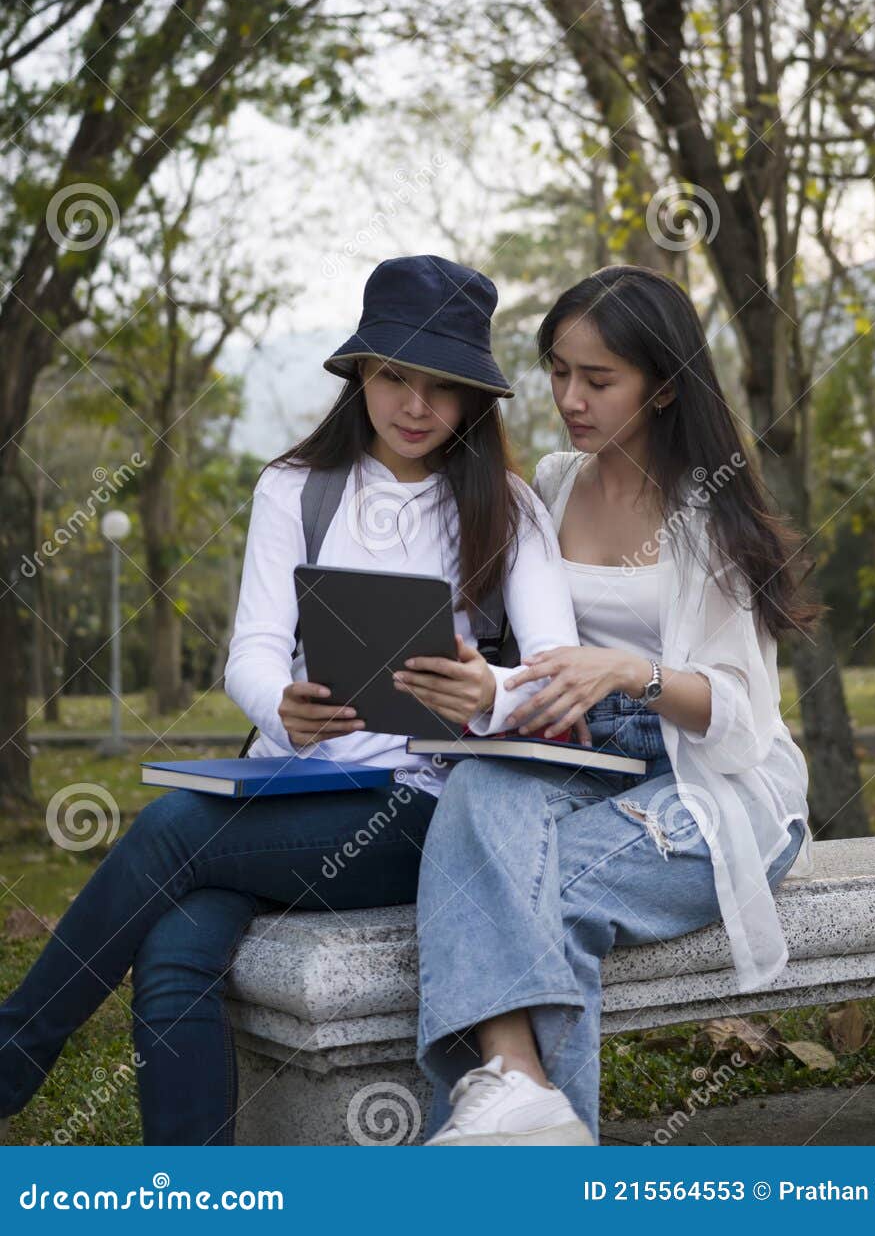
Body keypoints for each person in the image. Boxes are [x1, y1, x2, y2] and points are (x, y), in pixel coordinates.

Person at [0, 254, 576, 1146]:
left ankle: (12, 1060)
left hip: (422, 813)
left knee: (172, 828)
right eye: (393, 376)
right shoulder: (296, 488)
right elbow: (254, 652)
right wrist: (283, 706)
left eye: (442, 387)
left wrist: (487, 688)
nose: (414, 406)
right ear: (358, 373)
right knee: (174, 953)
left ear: (475, 399)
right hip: (292, 792)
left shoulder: (510, 510)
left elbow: (555, 673)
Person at [413, 264, 822, 1146]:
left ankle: (537, 1147)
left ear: (665, 387)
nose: (569, 397)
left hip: (706, 777)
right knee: (473, 795)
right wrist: (481, 684)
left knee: (536, 895)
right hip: (580, 749)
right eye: (558, 371)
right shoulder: (555, 484)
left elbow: (741, 718)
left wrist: (627, 669)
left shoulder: (708, 517)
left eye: (598, 379)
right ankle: (517, 1089)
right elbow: (529, 648)